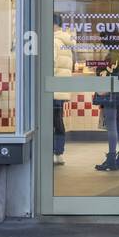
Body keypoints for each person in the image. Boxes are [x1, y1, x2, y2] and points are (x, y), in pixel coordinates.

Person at [52, 14, 75, 165]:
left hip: (52, 88)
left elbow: (51, 64)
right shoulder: (67, 42)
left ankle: (54, 152)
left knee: (51, 120)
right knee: (58, 119)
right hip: (62, 87)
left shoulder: (54, 41)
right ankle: (59, 153)